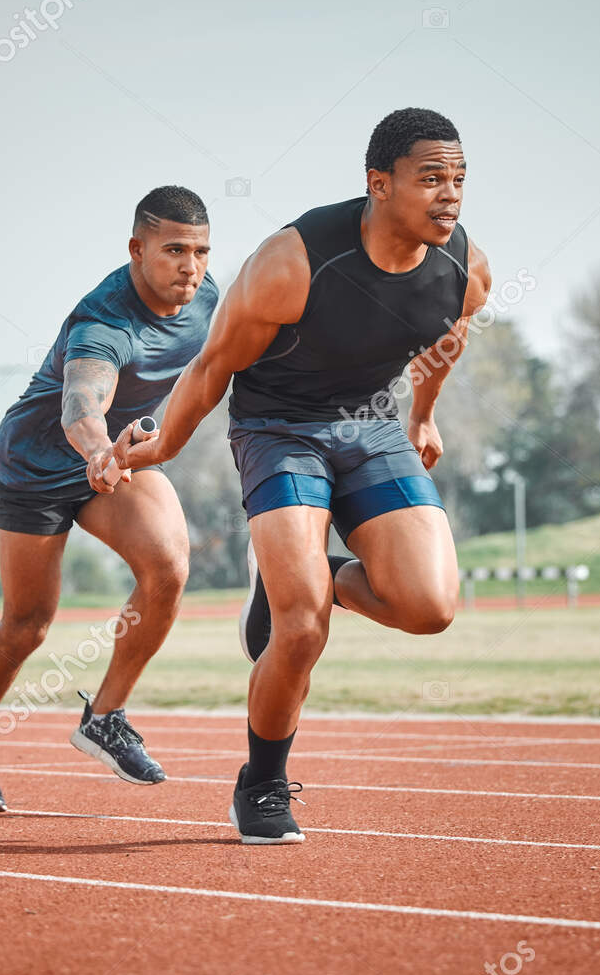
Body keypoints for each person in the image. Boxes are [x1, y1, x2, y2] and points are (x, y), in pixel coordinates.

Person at [113, 109, 492, 843]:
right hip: (278, 430)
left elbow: (448, 335)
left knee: (429, 608)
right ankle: (262, 782)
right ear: (378, 185)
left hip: (373, 426)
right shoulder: (294, 263)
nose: (450, 196)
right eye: (430, 179)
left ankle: (314, 568)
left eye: (460, 181)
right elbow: (213, 367)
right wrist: (158, 449)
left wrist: (422, 415)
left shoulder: (465, 267)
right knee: (300, 627)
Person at [0, 185, 218, 811]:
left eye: (200, 251)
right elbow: (80, 402)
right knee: (27, 625)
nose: (190, 266)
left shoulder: (206, 298)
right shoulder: (105, 320)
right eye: (174, 250)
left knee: (169, 566)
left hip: (118, 457)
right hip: (40, 464)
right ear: (136, 249)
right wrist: (97, 450)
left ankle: (106, 716)